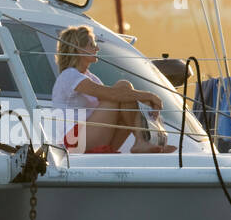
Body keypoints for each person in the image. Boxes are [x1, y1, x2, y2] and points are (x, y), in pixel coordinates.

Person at [52, 25, 176, 154]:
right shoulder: (69, 75)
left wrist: (145, 101)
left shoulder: (90, 77)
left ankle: (144, 142)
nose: (97, 48)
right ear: (78, 50)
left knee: (127, 98)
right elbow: (114, 94)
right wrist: (151, 96)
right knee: (122, 88)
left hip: (89, 136)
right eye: (92, 45)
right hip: (73, 141)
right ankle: (142, 141)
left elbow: (121, 96)